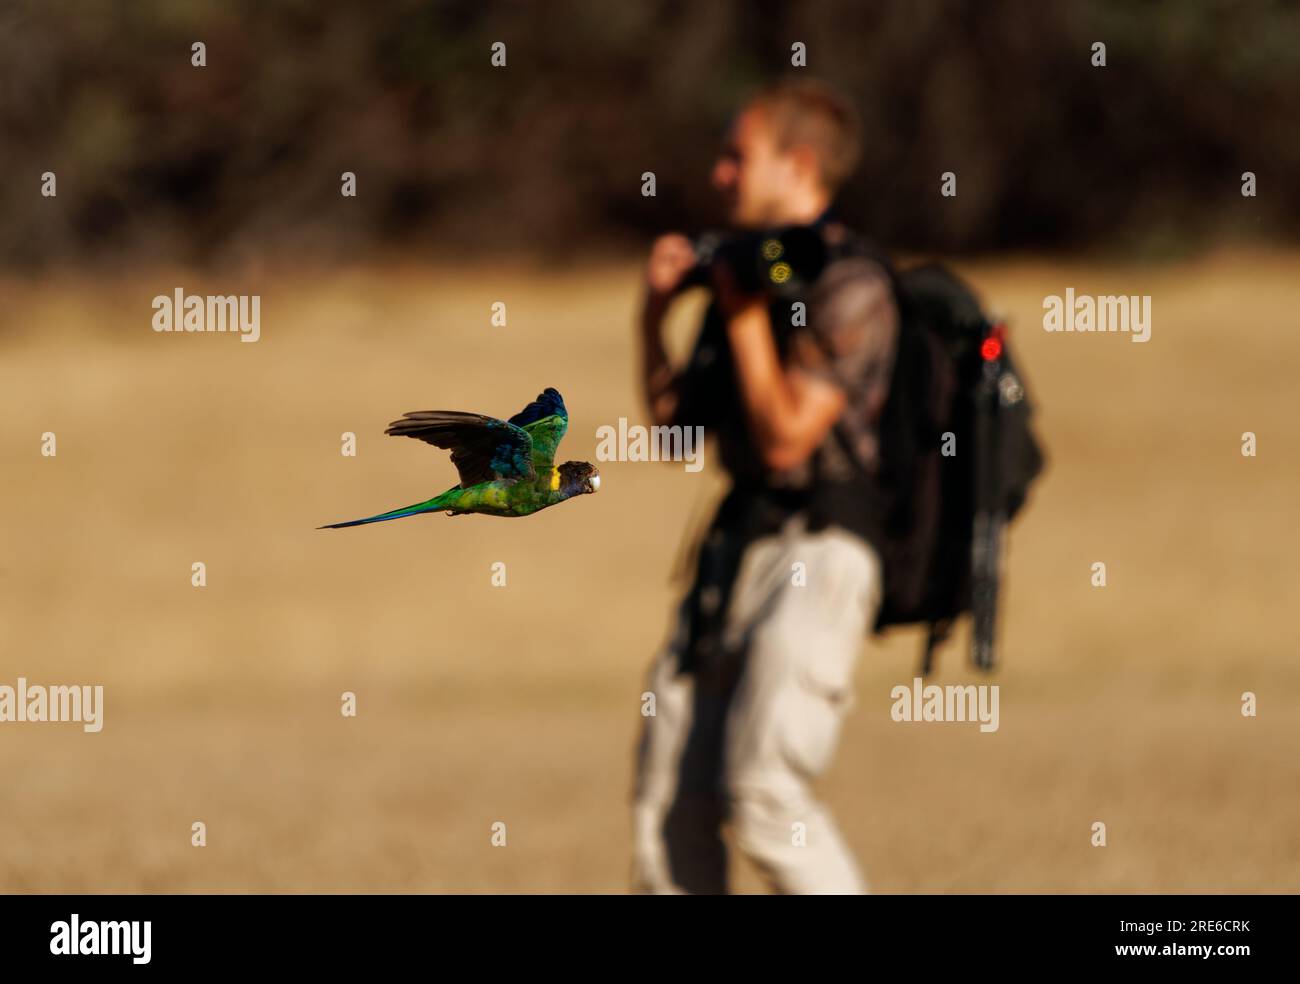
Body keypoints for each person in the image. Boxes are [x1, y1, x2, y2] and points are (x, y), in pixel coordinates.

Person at [632, 79, 900, 894]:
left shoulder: (851, 285)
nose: (719, 174)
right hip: (734, 550)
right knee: (668, 807)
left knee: (765, 797)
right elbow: (675, 433)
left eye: (737, 157)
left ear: (800, 164)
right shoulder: (743, 271)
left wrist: (744, 310)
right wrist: (653, 316)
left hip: (819, 552)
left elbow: (786, 439)